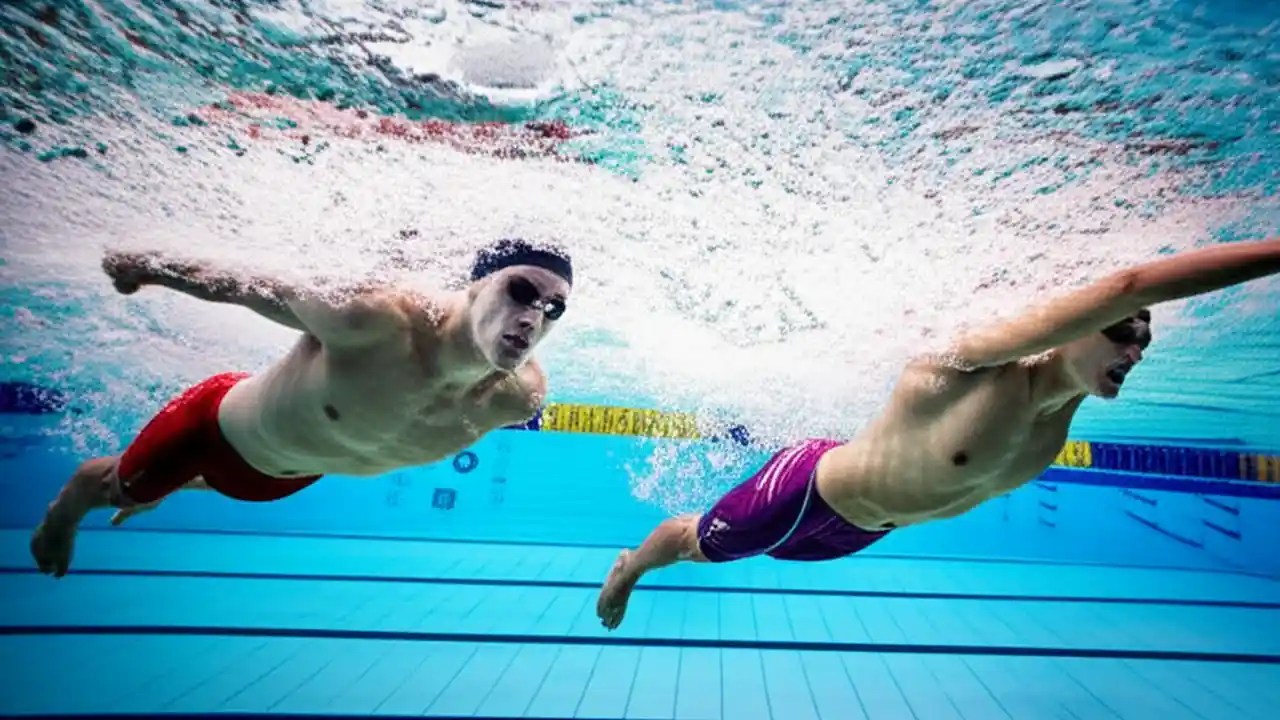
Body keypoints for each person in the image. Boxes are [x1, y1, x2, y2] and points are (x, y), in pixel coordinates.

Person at [597, 236, 1280, 629]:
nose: (1136, 349)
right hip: (810, 490)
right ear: (1074, 326)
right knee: (696, 546)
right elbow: (1131, 282)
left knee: (745, 556)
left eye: (1145, 343)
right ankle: (629, 568)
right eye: (1124, 329)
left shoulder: (1062, 416)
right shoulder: (977, 365)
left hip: (861, 533)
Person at [31, 237, 573, 578]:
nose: (533, 318)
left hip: (291, 475)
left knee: (203, 483)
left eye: (553, 309)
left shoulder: (518, 395)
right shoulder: (379, 319)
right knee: (118, 490)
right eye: (521, 291)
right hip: (215, 429)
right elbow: (250, 286)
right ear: (476, 285)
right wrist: (148, 266)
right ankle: (72, 504)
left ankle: (170, 484)